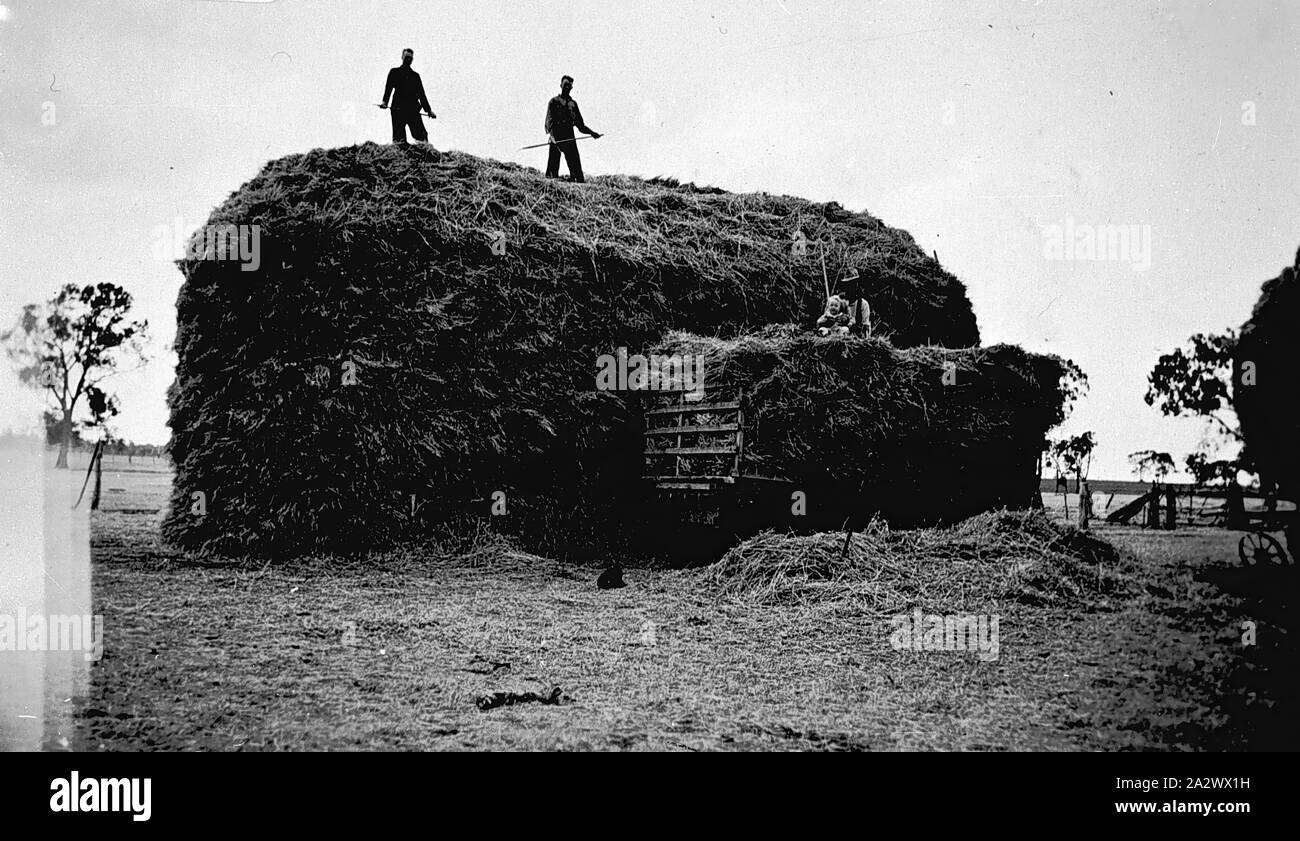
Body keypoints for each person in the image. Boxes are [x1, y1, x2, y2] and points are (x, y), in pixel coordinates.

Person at [544, 75, 601, 182]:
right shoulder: (554, 102)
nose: (567, 87)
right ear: (561, 85)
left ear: (571, 88)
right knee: (551, 173)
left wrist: (592, 133)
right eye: (565, 84)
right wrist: (553, 138)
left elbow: (581, 125)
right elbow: (548, 123)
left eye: (569, 86)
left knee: (577, 174)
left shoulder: (573, 105)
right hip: (555, 137)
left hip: (569, 138)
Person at [380, 48, 435, 144]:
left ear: (412, 60)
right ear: (402, 57)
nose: (408, 60)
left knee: (422, 136)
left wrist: (429, 110)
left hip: (412, 110)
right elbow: (388, 88)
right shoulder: (394, 72)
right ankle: (398, 156)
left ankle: (426, 156)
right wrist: (385, 102)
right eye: (406, 57)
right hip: (398, 109)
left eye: (410, 58)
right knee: (399, 139)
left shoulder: (415, 76)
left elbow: (421, 94)